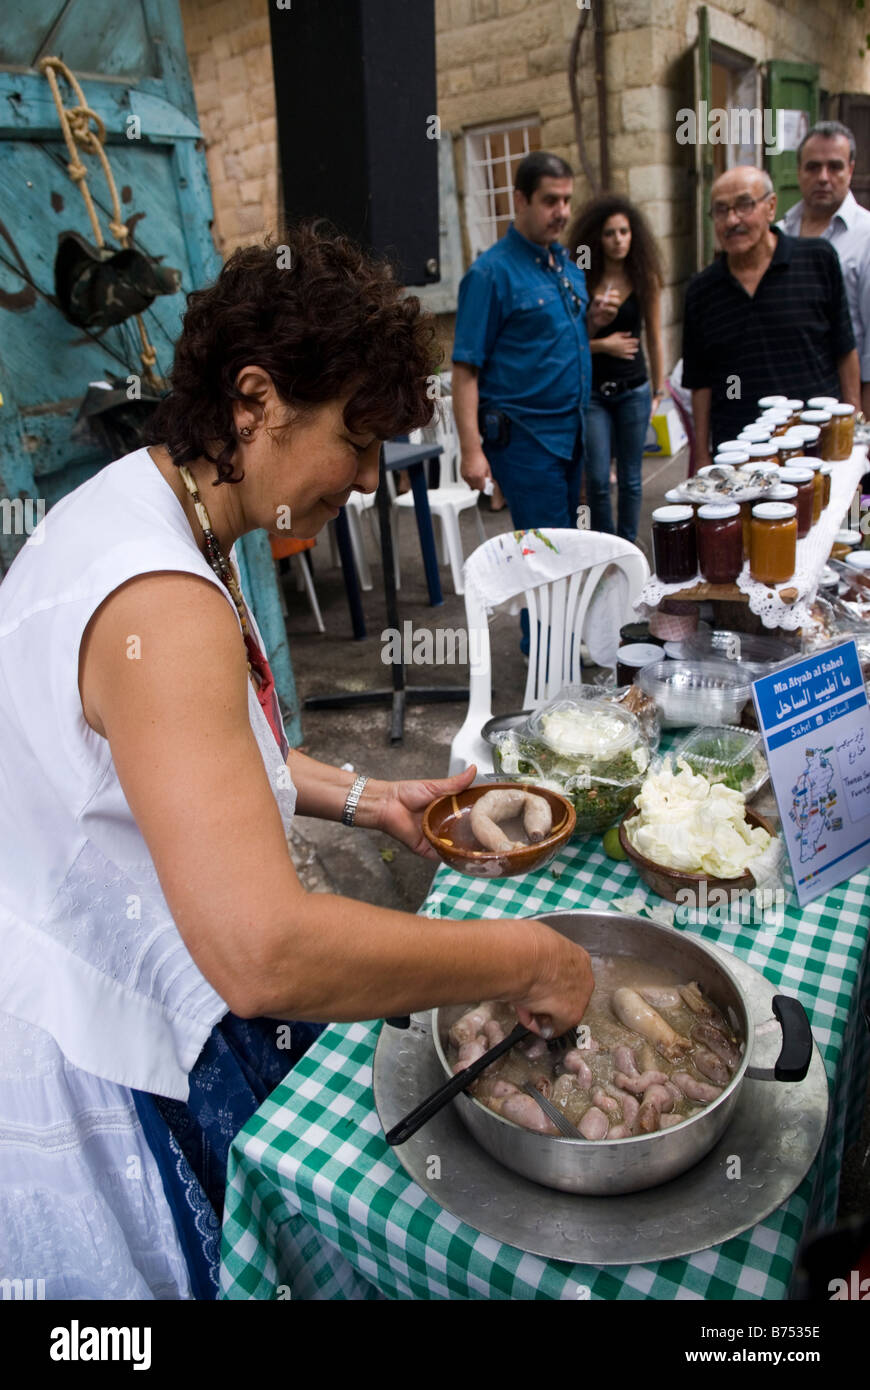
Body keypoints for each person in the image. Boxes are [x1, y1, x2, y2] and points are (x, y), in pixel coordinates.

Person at [0, 223, 595, 1299]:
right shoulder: (156, 599)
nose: (367, 481)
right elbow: (263, 952)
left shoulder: (152, 502)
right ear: (256, 399)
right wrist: (530, 957)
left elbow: (210, 761)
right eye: (354, 442)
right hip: (108, 1047)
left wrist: (374, 799)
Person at [452, 151, 617, 531]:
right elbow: (465, 369)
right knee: (548, 549)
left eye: (566, 200)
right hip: (526, 440)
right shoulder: (490, 274)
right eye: (550, 201)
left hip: (571, 432)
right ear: (521, 200)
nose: (561, 211)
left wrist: (593, 321)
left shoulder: (566, 267)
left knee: (570, 541)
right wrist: (471, 450)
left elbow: (558, 341)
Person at [682, 165, 860, 465]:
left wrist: (853, 419)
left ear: (771, 206)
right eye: (721, 210)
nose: (732, 220)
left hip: (815, 446)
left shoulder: (818, 258)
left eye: (744, 205)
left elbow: (844, 349)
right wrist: (700, 452)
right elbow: (700, 382)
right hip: (738, 454)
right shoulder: (702, 290)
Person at [566, 194, 665, 542]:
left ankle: (627, 545)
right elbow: (571, 342)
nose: (618, 239)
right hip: (594, 393)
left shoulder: (643, 278)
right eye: (610, 233)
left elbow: (654, 335)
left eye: (624, 231)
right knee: (595, 478)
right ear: (598, 238)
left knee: (631, 478)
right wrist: (601, 341)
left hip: (633, 390)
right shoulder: (582, 278)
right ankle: (604, 545)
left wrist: (659, 389)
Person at [778, 120, 870, 421]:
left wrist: (861, 420)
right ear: (799, 171)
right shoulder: (778, 235)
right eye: (813, 167)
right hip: (786, 401)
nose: (823, 177)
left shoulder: (866, 236)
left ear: (851, 170)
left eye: (835, 167)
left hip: (845, 403)